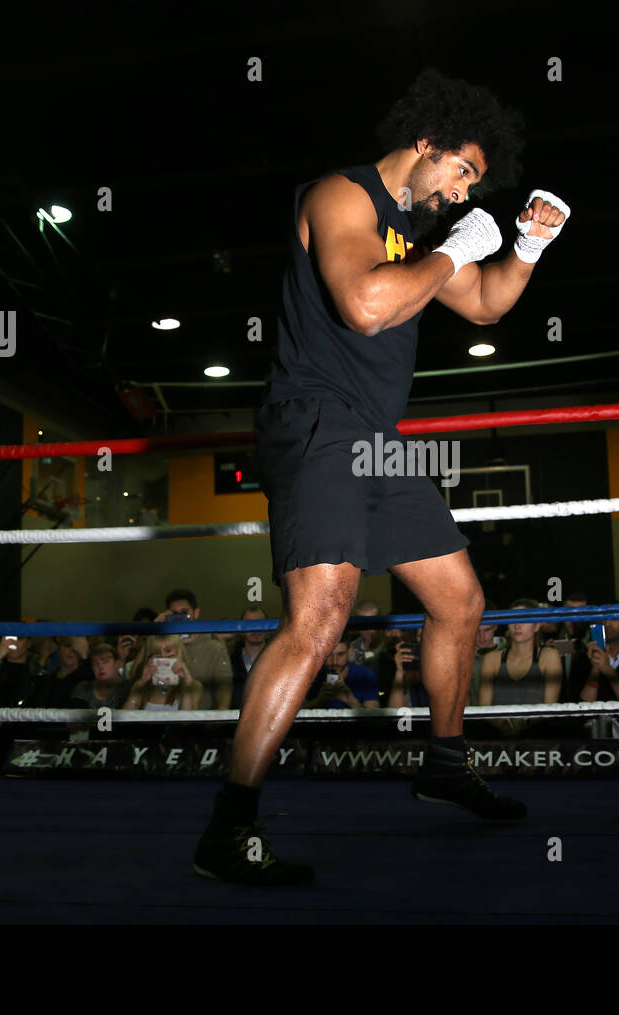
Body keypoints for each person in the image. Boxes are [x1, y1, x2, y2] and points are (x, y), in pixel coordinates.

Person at [193, 68, 565, 885]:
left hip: (379, 441)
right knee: (320, 619)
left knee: (460, 599)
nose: (468, 192)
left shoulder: (431, 233)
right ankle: (231, 824)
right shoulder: (341, 197)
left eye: (478, 181)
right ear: (425, 146)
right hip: (314, 423)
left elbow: (489, 305)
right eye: (463, 171)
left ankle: (444, 760)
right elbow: (366, 304)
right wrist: (452, 254)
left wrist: (528, 246)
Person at [161, 590, 233, 709]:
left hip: (201, 722)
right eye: (174, 614)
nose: (180, 618)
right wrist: (155, 628)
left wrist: (219, 718)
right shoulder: (163, 647)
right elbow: (135, 676)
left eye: (184, 613)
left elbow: (224, 688)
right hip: (164, 719)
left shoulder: (214, 648)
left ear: (196, 613)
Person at [123, 635, 200, 711]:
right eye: (157, 653)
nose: (163, 657)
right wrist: (141, 683)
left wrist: (187, 684)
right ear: (149, 658)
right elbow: (127, 718)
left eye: (168, 651)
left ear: (179, 656)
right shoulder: (140, 685)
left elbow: (187, 722)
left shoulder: (193, 686)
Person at [304, 634, 380, 710]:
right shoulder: (313, 677)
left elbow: (374, 717)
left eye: (340, 654)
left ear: (349, 653)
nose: (334, 661)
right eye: (329, 655)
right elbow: (296, 712)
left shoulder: (366, 675)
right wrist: (319, 700)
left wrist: (350, 700)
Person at [228, 607, 271, 710]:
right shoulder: (230, 663)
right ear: (241, 630)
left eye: (260, 623)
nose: (256, 628)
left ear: (269, 628)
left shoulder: (280, 661)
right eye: (250, 624)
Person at [70, 642, 130, 711]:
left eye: (105, 661)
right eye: (96, 663)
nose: (100, 667)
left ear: (117, 663)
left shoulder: (127, 689)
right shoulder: (83, 688)